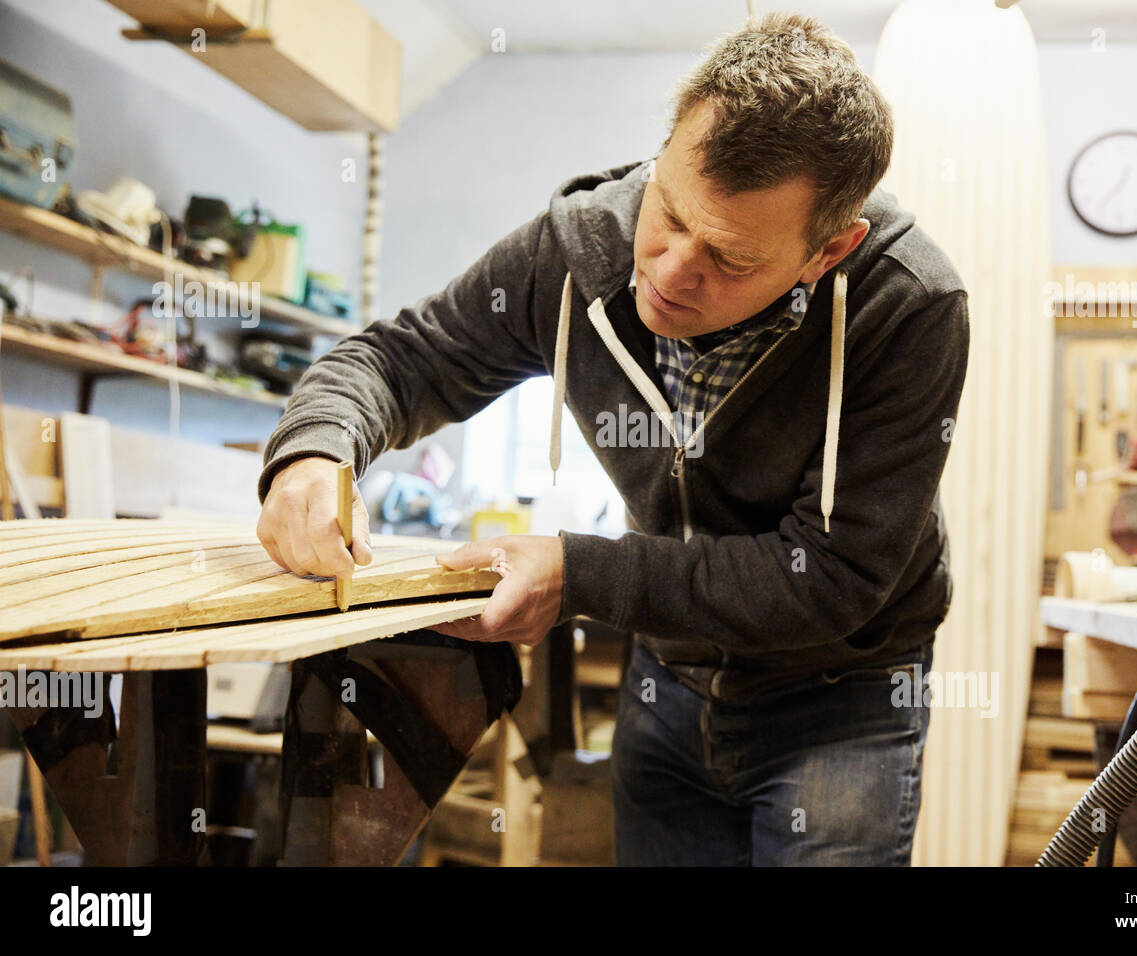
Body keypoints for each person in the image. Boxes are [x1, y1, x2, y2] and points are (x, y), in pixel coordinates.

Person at [255, 12, 969, 866]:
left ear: (828, 252)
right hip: (666, 677)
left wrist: (582, 572)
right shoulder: (576, 248)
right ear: (666, 148)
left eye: (730, 259)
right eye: (668, 212)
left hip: (841, 694)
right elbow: (402, 361)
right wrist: (313, 452)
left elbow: (835, 576)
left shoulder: (909, 307)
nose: (667, 272)